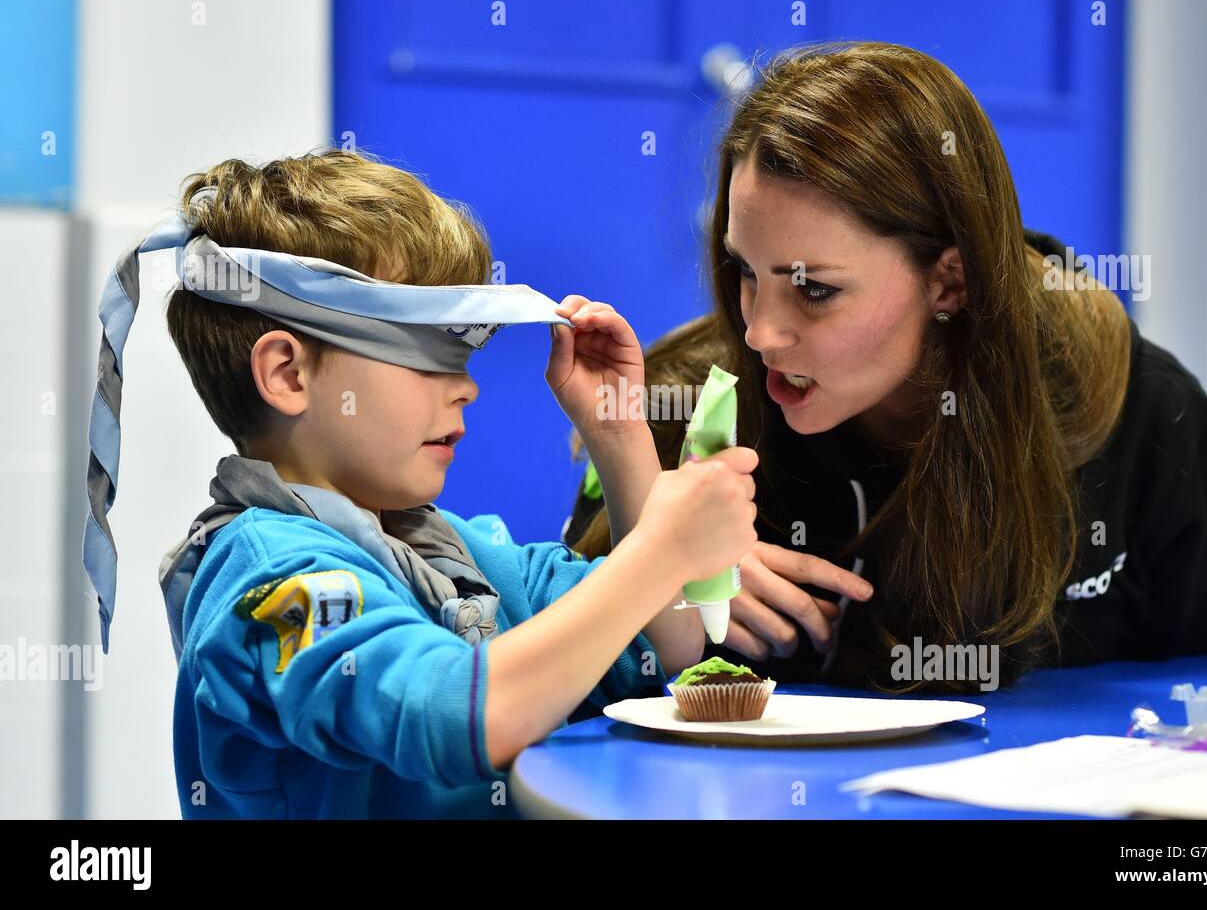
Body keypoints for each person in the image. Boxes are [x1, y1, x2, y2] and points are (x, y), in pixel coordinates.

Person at [564, 42, 1207, 694]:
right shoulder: (681, 407)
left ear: (950, 282)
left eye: (814, 289)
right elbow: (556, 676)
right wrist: (655, 572)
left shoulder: (1151, 421)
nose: (759, 332)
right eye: (744, 271)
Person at [81, 150, 757, 818]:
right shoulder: (274, 585)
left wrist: (619, 437)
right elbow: (457, 717)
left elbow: (666, 638)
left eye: (463, 355)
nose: (465, 387)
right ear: (288, 374)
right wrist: (665, 547)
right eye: (426, 354)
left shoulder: (450, 548)